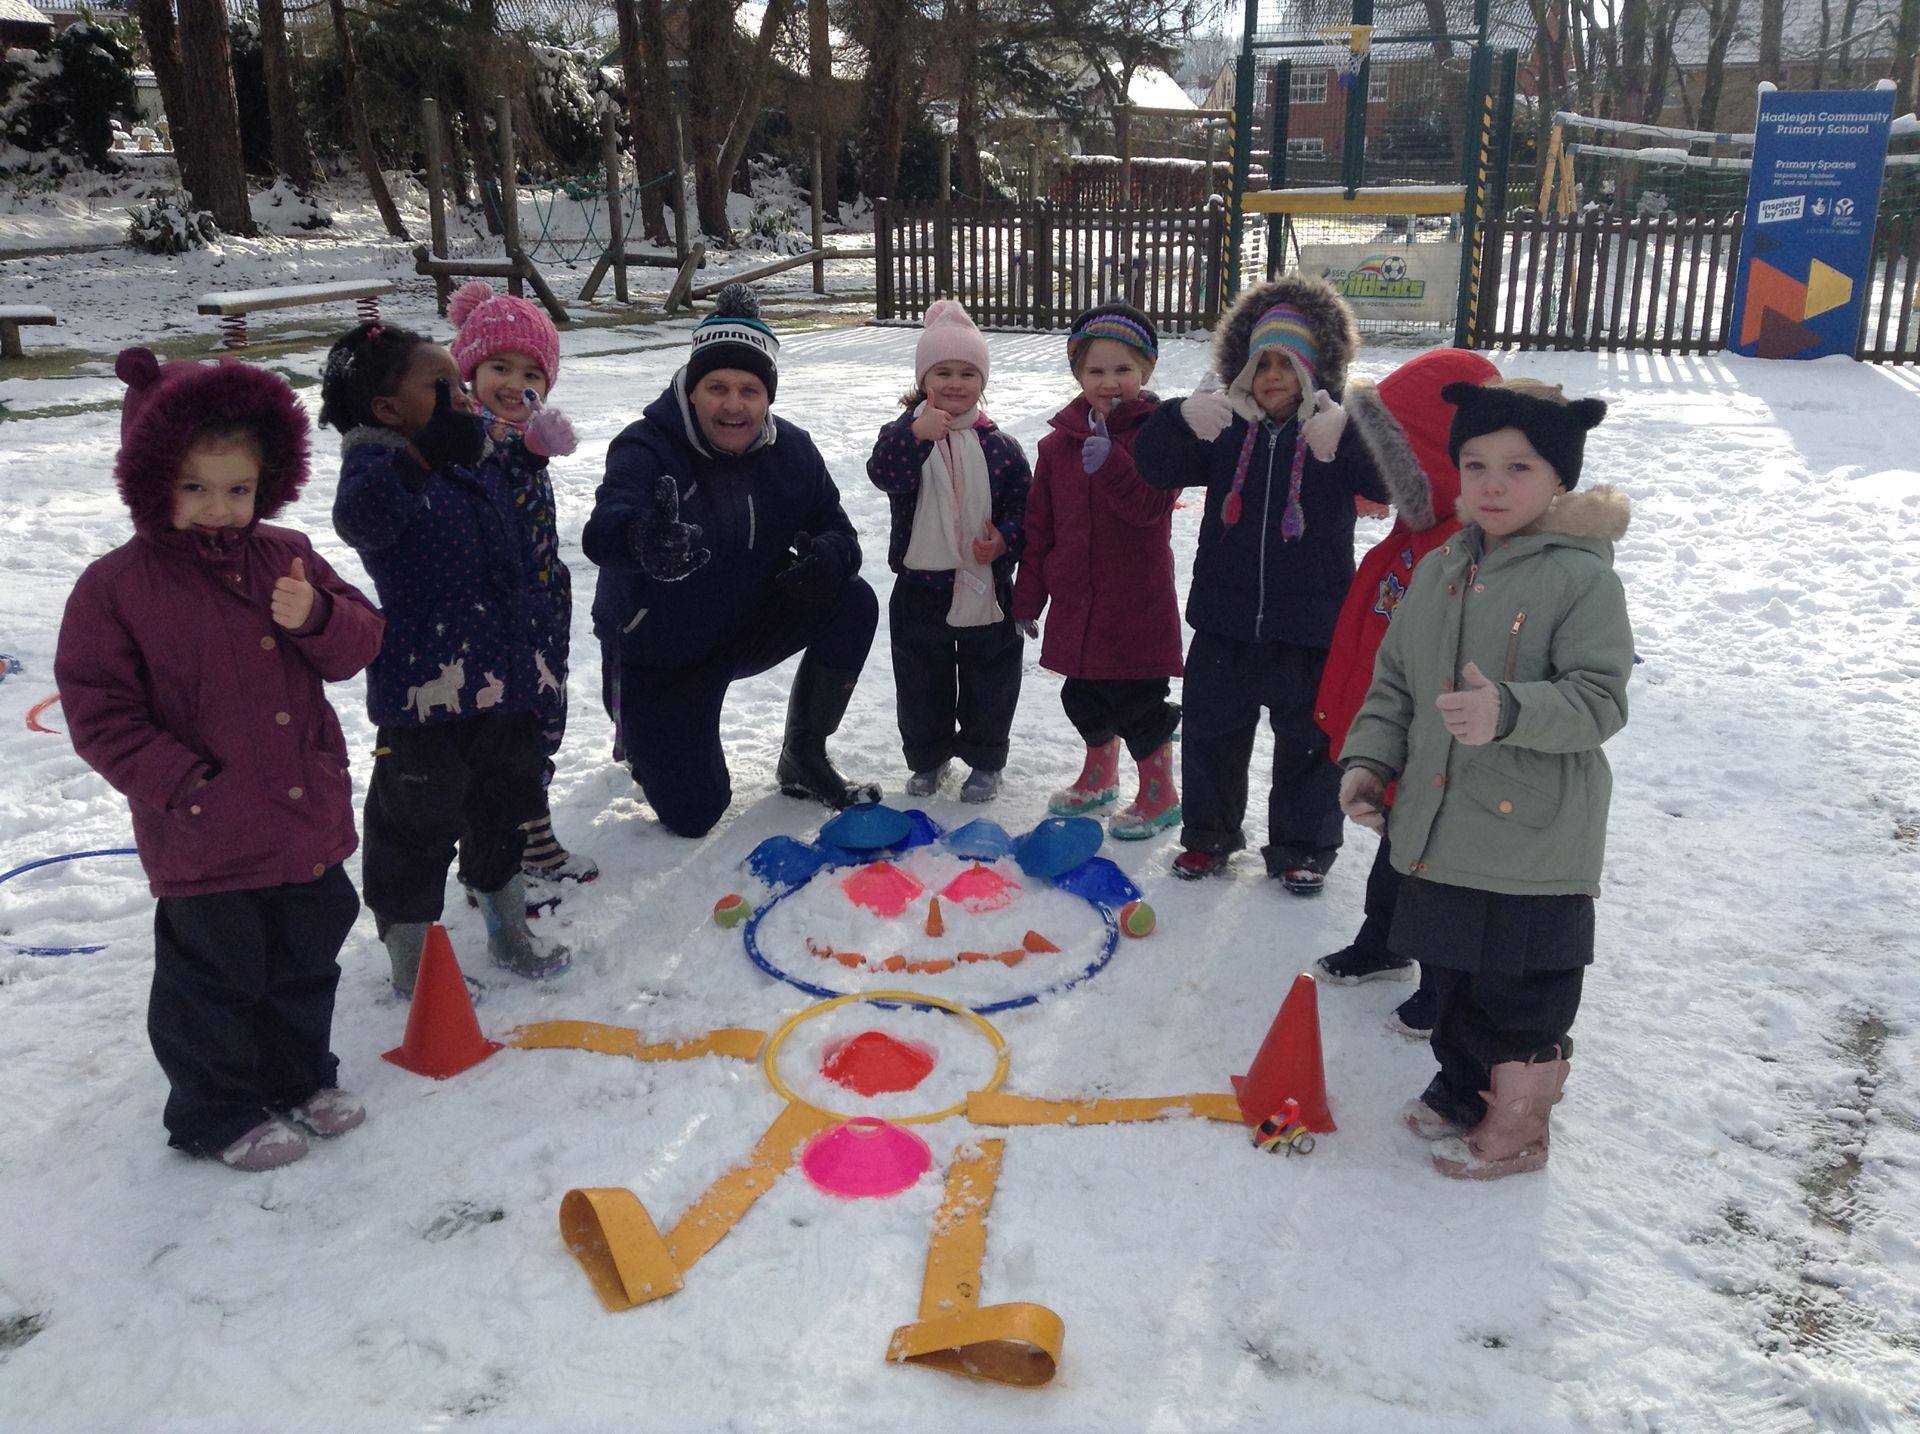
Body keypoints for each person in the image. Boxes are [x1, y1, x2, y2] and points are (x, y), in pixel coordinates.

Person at [56, 348, 384, 1171]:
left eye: (238, 490)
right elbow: (99, 710)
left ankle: (301, 1076)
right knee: (214, 982)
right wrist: (181, 783)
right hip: (204, 831)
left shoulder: (288, 555)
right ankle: (214, 1108)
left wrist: (316, 617)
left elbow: (360, 642)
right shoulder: (114, 588)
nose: (218, 508)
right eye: (195, 487)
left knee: (305, 962)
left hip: (303, 814)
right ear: (152, 478)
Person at [1338, 378, 1630, 1180]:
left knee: (1522, 992)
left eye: (1519, 467)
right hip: (1444, 823)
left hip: (1533, 835)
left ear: (1559, 479)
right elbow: (1394, 682)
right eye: (1476, 465)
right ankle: (1465, 1088)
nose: (1493, 485)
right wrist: (1371, 760)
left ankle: (1519, 1125)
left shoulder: (1581, 579)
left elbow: (1601, 700)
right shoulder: (1441, 570)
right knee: (1455, 974)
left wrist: (1511, 712)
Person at [324, 320, 571, 995]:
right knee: (415, 833)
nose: (465, 396)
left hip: (505, 681)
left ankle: (508, 929)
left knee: (502, 810)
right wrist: (421, 459)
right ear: (387, 410)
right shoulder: (378, 467)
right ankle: (413, 964)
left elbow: (515, 541)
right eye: (444, 385)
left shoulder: (473, 454)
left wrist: (534, 455)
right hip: (423, 699)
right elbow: (361, 520)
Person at [583, 284, 880, 836]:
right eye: (716, 387)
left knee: (853, 598)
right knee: (695, 814)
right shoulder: (645, 446)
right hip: (663, 650)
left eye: (749, 389)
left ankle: (803, 755)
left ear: (768, 397)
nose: (733, 404)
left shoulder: (793, 451)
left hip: (747, 623)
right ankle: (633, 716)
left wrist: (828, 558)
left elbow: (840, 530)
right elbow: (602, 531)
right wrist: (643, 540)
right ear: (691, 391)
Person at [1135, 274, 1386, 892]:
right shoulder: (1227, 427)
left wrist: (1349, 436)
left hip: (1311, 625)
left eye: (1288, 363)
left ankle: (1303, 846)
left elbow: (1385, 485)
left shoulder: (1331, 427)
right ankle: (1208, 836)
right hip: (1225, 620)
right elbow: (1155, 465)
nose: (1274, 375)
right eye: (1262, 362)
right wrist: (1175, 417)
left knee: (1308, 742)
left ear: (1315, 367)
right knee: (1212, 733)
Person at [1308, 347, 1501, 1039]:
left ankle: (1444, 986)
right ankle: (1384, 942)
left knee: (1436, 870)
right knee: (1397, 854)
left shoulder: (1470, 555)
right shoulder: (1414, 533)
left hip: (1437, 749)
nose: (1377, 473)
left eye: (1392, 454)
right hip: (1393, 737)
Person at [1010, 302, 1184, 840]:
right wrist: (1026, 598)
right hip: (1078, 606)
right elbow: (1040, 531)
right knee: (1080, 698)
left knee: (1137, 706)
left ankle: (1160, 794)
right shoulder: (1056, 446)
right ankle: (1099, 776)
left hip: (1135, 607)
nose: (1109, 382)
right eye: (1095, 371)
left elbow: (1151, 508)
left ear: (1146, 372)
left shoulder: (1162, 438)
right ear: (1078, 375)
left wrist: (1112, 462)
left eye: (1123, 370)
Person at [447, 280, 597, 891]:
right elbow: (491, 480)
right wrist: (530, 452)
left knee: (539, 720)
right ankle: (495, 860)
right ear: (469, 371)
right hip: (489, 618)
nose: (515, 383)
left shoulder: (523, 433)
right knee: (498, 737)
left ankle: (532, 835)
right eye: (498, 366)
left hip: (539, 605)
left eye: (531, 370)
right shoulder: (463, 435)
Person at [866, 300, 1030, 802]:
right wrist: (916, 436)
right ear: (923, 380)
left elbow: (1025, 507)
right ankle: (928, 756)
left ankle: (984, 759)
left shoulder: (999, 446)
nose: (956, 383)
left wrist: (1004, 539)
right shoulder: (903, 437)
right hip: (920, 587)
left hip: (985, 586)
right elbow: (884, 475)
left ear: (982, 381)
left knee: (990, 679)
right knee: (921, 681)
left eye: (967, 373)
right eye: (943, 372)